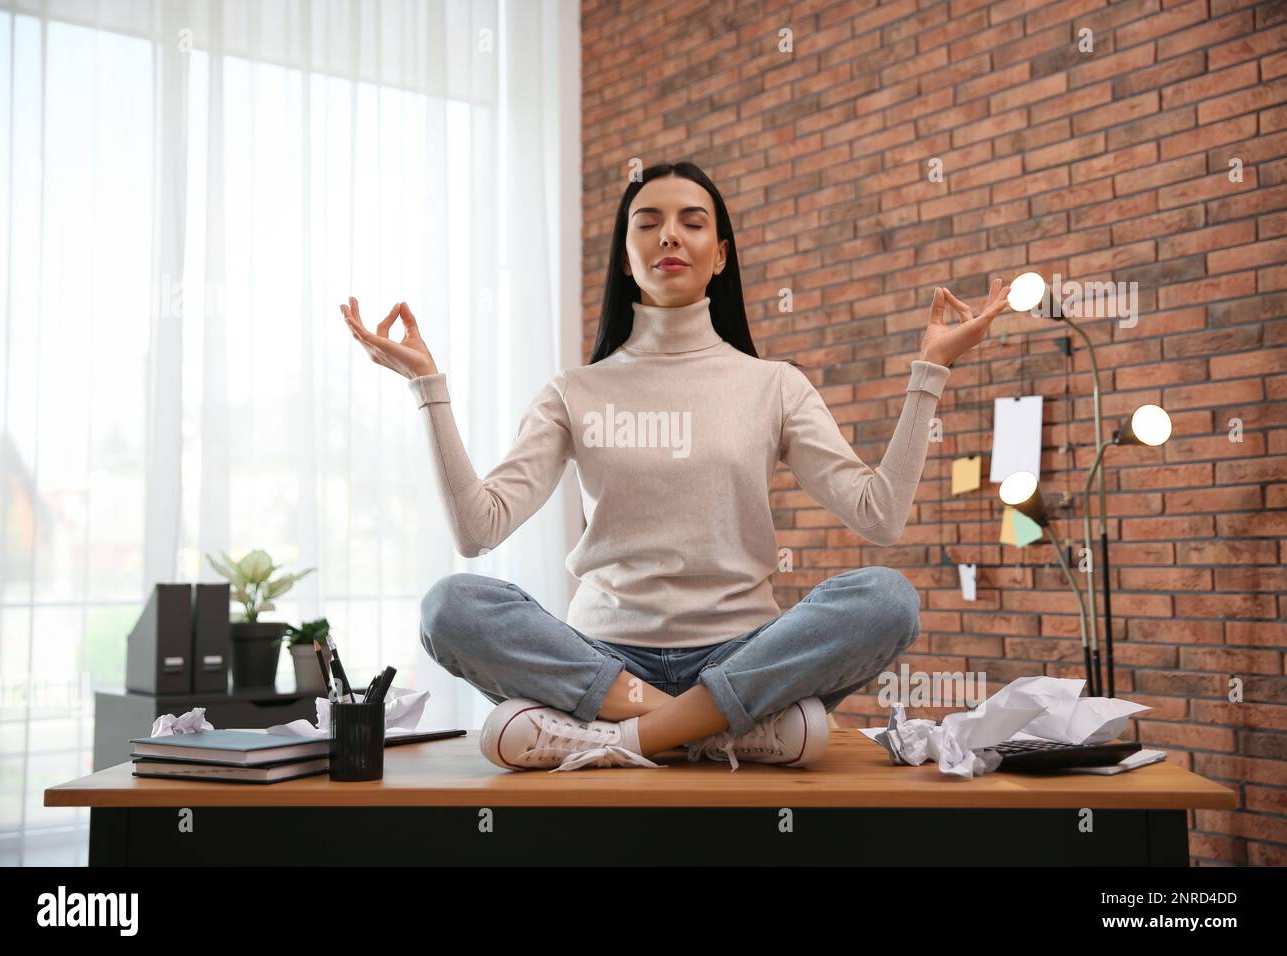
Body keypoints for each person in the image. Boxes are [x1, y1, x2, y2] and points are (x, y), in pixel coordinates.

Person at [340, 161, 1010, 773]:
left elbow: (880, 515)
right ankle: (725, 730)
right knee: (451, 606)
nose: (669, 236)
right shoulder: (574, 391)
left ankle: (623, 739)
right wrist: (427, 385)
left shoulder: (774, 385)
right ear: (627, 258)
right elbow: (476, 530)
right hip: (605, 661)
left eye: (692, 223)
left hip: (741, 655)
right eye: (648, 223)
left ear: (719, 256)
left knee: (886, 599)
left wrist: (932, 372)